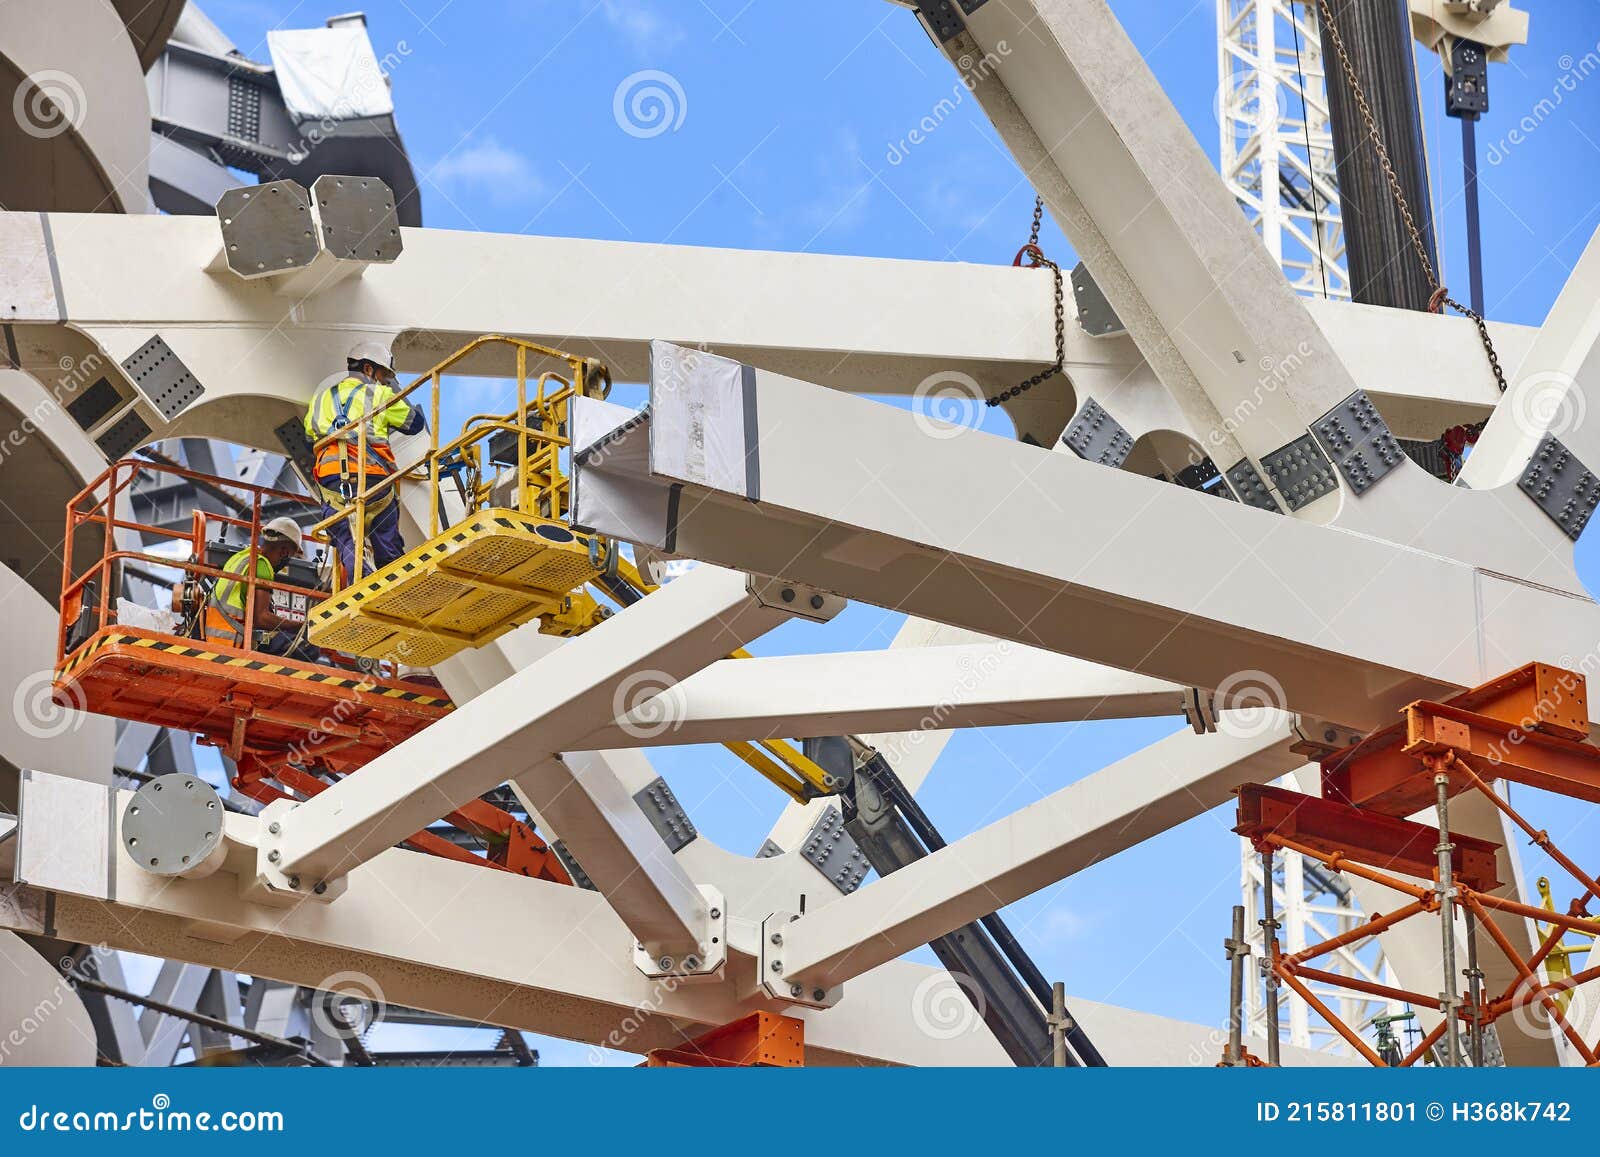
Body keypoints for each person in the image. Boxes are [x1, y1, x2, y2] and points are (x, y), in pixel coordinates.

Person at [304, 340, 426, 582]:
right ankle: (389, 589)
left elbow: (310, 436)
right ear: (369, 369)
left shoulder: (320, 399)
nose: (382, 380)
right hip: (372, 478)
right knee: (386, 544)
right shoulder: (379, 393)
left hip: (332, 482)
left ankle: (359, 588)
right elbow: (415, 424)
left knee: (349, 545)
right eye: (382, 374)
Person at [204, 517, 320, 661]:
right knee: (309, 649)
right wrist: (301, 627)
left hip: (218, 636)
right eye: (289, 556)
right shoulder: (262, 564)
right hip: (233, 640)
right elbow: (261, 619)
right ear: (284, 552)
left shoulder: (242, 556)